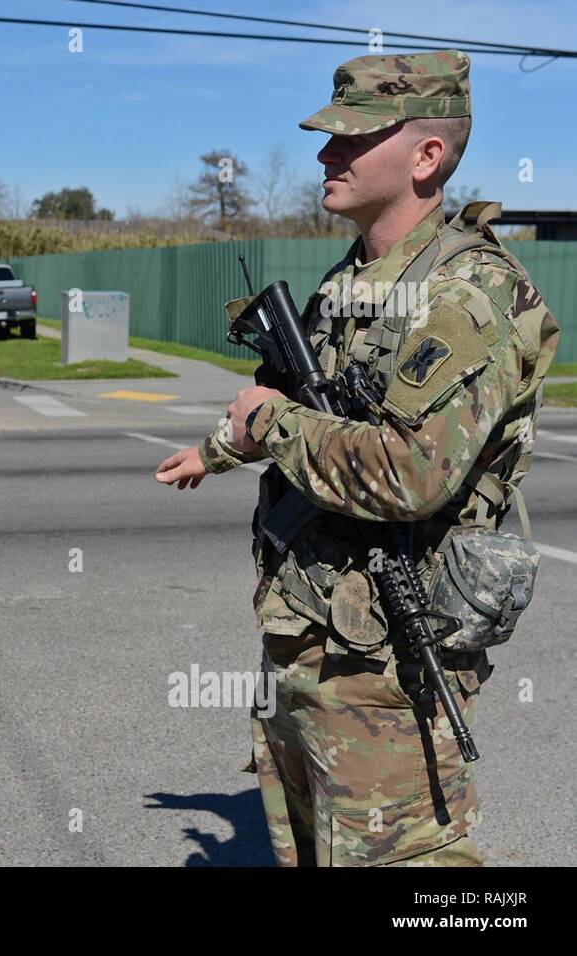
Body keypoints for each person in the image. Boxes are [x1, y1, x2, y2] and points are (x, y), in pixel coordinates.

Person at [155, 50, 560, 866]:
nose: (325, 155)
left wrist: (266, 426)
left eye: (352, 139)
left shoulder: (466, 294)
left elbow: (411, 474)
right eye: (328, 138)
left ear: (426, 156)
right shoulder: (356, 280)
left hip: (388, 663)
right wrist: (218, 447)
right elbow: (305, 400)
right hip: (312, 635)